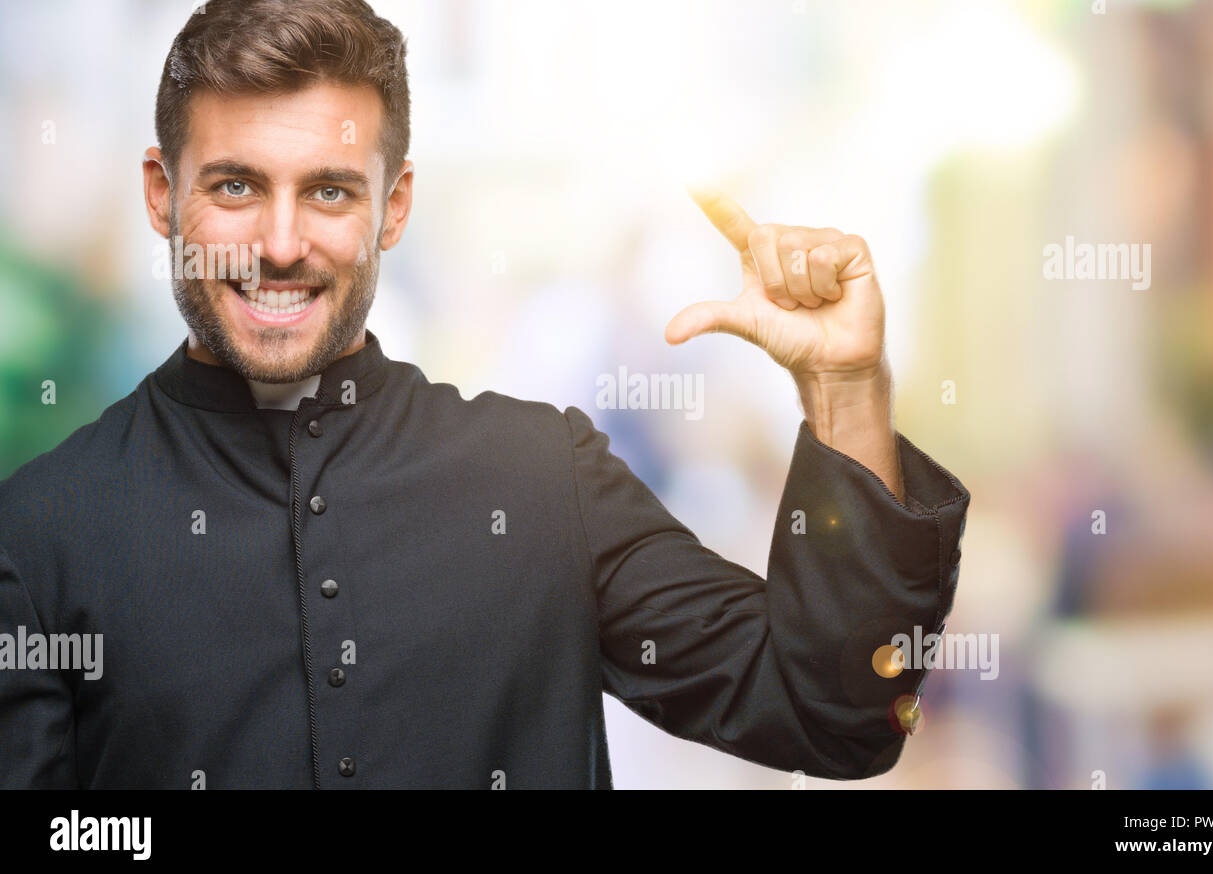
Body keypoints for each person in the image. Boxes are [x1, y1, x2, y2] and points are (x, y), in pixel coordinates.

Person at [0, 0, 970, 789]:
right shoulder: (40, 537)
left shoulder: (544, 478)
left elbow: (831, 718)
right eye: (238, 186)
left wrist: (845, 392)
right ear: (162, 195)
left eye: (331, 191)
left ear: (395, 205)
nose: (283, 242)